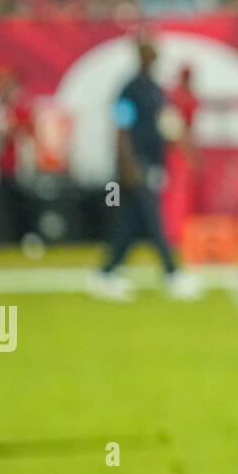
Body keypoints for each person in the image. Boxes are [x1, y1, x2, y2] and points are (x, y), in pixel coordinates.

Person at [89, 34, 202, 301]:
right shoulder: (130, 89)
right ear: (141, 56)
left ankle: (105, 273)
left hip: (151, 162)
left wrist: (186, 151)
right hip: (134, 165)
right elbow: (121, 126)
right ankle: (173, 273)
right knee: (152, 220)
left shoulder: (154, 88)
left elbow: (166, 125)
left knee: (130, 222)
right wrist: (128, 164)